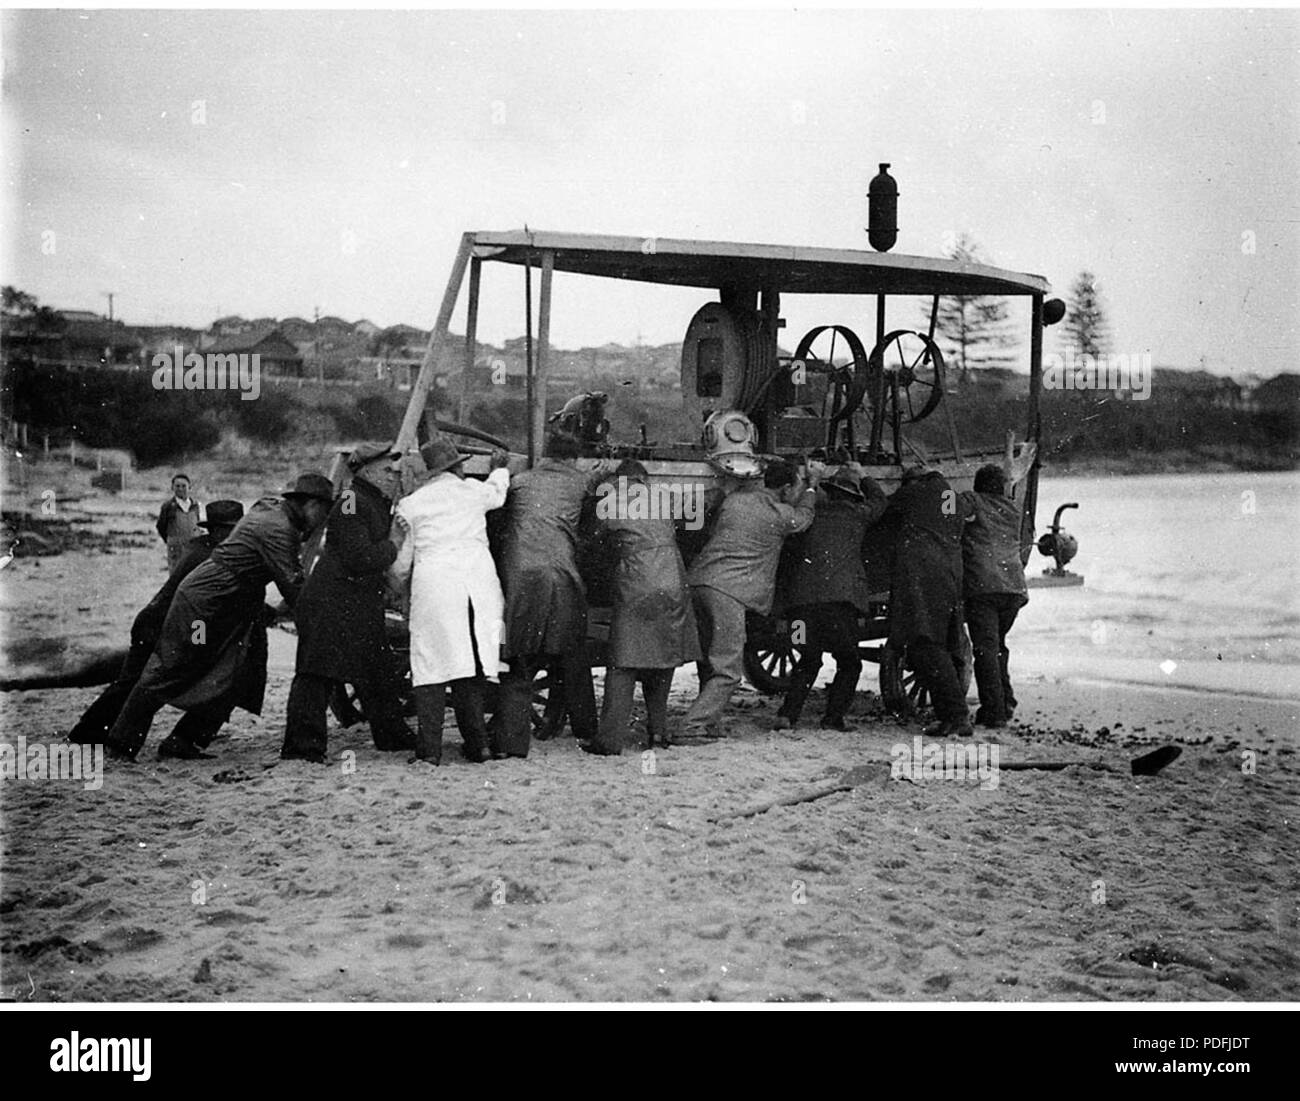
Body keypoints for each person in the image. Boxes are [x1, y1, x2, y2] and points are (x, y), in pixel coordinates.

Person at [105, 473, 333, 762]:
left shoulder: (271, 509)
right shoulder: (278, 528)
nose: (322, 520)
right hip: (206, 602)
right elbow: (294, 587)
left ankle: (183, 741)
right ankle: (120, 744)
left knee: (235, 676)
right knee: (170, 669)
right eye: (323, 512)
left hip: (228, 601)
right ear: (310, 504)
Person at [68, 500, 245, 746]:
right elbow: (199, 604)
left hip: (160, 623)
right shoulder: (209, 555)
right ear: (217, 529)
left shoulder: (203, 549)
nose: (237, 534)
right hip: (158, 626)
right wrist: (199, 640)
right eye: (232, 528)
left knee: (132, 683)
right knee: (134, 684)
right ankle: (86, 735)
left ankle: (89, 734)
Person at [281, 444, 413, 764]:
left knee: (378, 671)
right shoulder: (352, 500)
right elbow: (360, 558)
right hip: (332, 601)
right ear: (365, 470)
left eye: (395, 470)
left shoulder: (369, 500)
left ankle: (392, 736)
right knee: (317, 675)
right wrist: (394, 544)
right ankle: (302, 751)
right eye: (386, 470)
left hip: (355, 603)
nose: (394, 476)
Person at [390, 438, 511, 765]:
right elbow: (498, 494)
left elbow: (402, 562)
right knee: (470, 664)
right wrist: (499, 469)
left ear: (430, 472)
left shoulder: (412, 504)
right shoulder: (473, 490)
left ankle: (429, 751)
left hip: (436, 586)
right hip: (478, 584)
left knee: (430, 665)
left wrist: (398, 588)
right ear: (457, 467)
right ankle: (479, 746)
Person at [681, 458, 817, 737]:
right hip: (728, 592)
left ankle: (710, 722)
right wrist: (812, 487)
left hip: (698, 583)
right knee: (729, 668)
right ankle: (691, 728)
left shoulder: (735, 500)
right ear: (787, 488)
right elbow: (803, 518)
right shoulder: (778, 515)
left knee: (710, 659)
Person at [495, 433, 605, 758]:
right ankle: (587, 733)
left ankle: (513, 743)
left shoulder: (521, 481)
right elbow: (593, 526)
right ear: (572, 459)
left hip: (519, 574)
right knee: (571, 655)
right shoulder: (580, 483)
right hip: (561, 575)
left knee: (518, 658)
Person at [583, 460, 700, 756]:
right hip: (673, 579)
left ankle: (609, 741)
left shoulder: (611, 502)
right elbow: (698, 509)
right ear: (643, 480)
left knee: (623, 663)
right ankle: (659, 733)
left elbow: (592, 540)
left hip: (637, 581)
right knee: (663, 658)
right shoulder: (664, 496)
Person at [773, 465, 888, 731]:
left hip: (800, 605)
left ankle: (787, 715)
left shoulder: (812, 515)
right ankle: (832, 718)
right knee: (849, 663)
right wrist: (865, 475)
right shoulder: (858, 515)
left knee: (807, 659)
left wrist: (810, 480)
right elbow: (880, 502)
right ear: (853, 497)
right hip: (840, 603)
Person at [884, 464, 975, 738]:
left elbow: (883, 507)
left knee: (927, 646)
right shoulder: (952, 499)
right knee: (942, 644)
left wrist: (866, 480)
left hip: (922, 576)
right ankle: (950, 717)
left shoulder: (914, 493)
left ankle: (957, 717)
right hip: (949, 575)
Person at [961, 446, 1036, 728]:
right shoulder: (1013, 510)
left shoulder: (973, 501)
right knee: (997, 646)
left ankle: (993, 711)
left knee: (986, 650)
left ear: (978, 487)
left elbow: (947, 508)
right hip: (1014, 590)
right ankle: (1006, 703)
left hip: (984, 587)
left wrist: (939, 488)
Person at [157, 474, 202, 573]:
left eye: (183, 486)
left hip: (192, 547)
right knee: (176, 574)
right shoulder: (168, 506)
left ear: (189, 487)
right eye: (177, 486)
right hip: (176, 548)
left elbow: (197, 523)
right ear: (172, 488)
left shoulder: (195, 505)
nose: (180, 489)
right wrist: (171, 540)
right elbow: (161, 526)